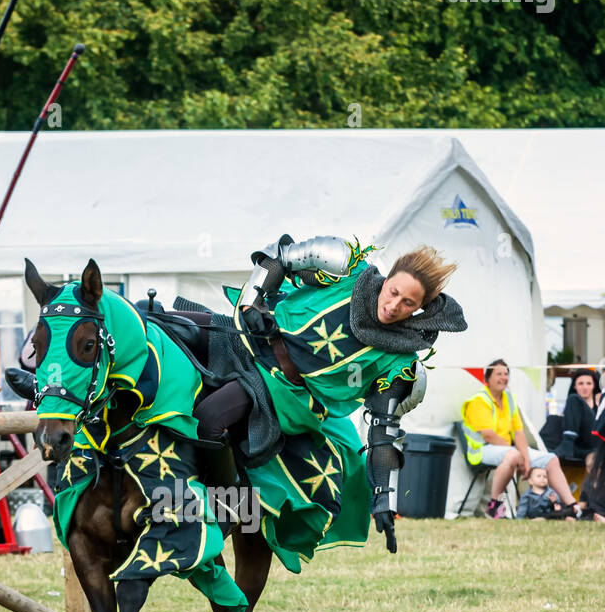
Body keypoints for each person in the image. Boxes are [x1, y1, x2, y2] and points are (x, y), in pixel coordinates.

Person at [194, 236, 467, 558]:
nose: (394, 306)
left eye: (408, 303)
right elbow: (278, 258)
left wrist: (381, 499)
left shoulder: (400, 365)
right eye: (393, 292)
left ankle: (212, 514)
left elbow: (383, 435)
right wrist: (252, 306)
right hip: (245, 339)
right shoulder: (346, 268)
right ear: (387, 279)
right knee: (157, 324)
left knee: (210, 418)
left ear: (419, 308)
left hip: (280, 392)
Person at [461, 359, 580, 518]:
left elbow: (519, 433)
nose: (503, 377)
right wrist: (518, 455)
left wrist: (526, 459)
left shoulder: (509, 399)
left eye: (506, 373)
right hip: (481, 450)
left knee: (551, 459)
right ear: (487, 379)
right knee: (513, 456)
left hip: (507, 450)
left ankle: (572, 506)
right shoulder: (479, 400)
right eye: (498, 374)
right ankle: (495, 506)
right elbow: (488, 435)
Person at [555, 368, 601, 461]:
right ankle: (566, 444)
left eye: (589, 383)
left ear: (594, 386)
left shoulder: (599, 403)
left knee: (573, 398)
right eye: (580, 383)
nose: (585, 387)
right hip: (578, 449)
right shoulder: (571, 406)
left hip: (594, 442)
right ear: (575, 386)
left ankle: (567, 442)